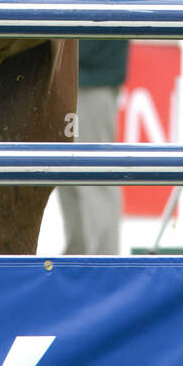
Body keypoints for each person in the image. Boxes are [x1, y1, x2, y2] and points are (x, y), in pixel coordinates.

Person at [57, 35, 129, 255]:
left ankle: (103, 263)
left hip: (89, 81)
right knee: (68, 174)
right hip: (77, 79)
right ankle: (79, 260)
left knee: (94, 175)